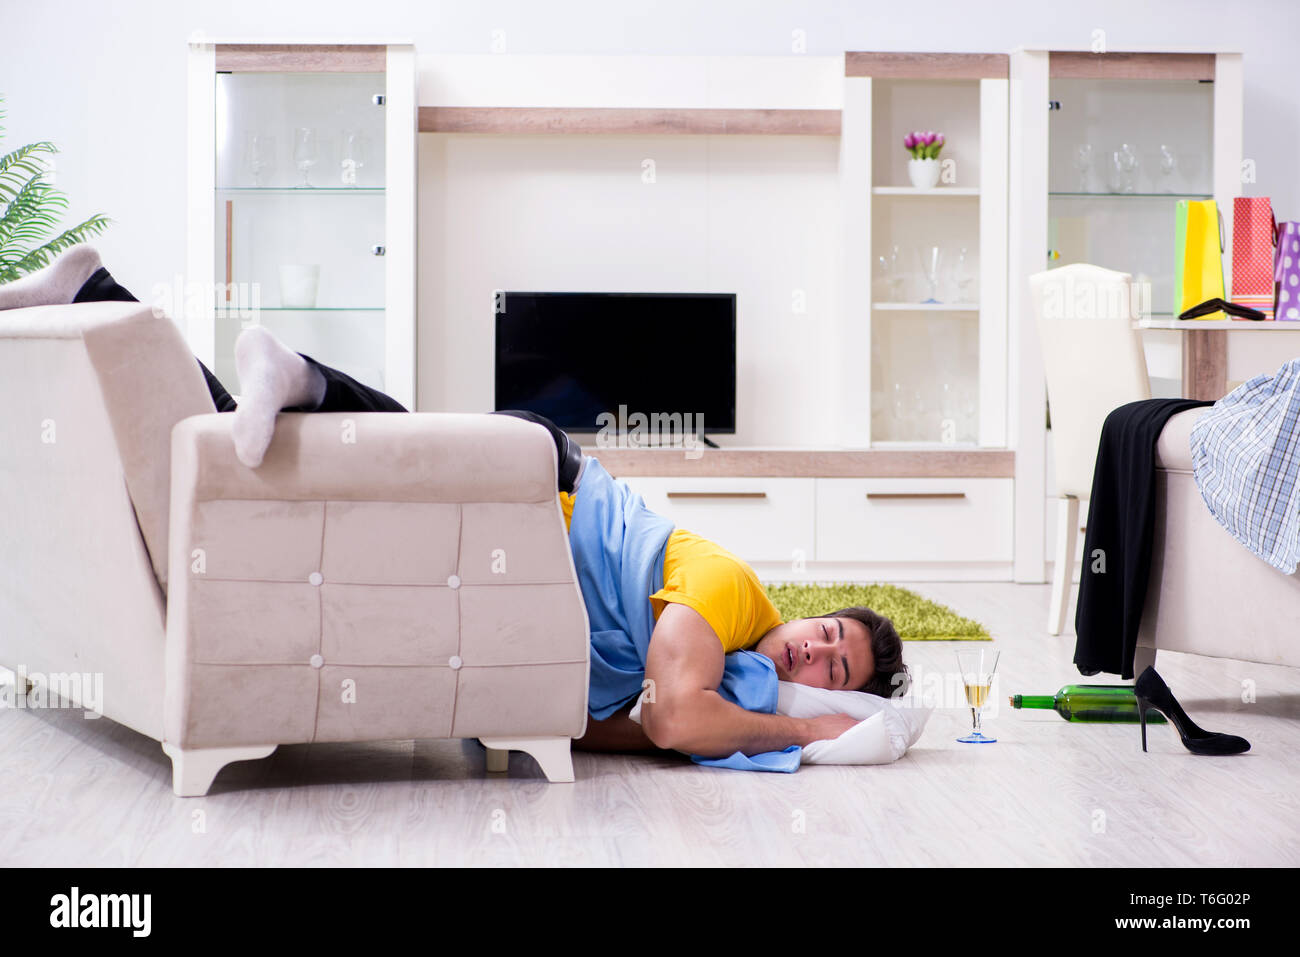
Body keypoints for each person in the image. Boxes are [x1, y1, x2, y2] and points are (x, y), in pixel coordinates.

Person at [1, 246, 909, 759]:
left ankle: (98, 295)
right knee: (380, 456)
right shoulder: (733, 593)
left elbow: (596, 721)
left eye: (835, 669)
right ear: (809, 611)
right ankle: (302, 376)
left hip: (519, 534)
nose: (817, 650)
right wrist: (808, 728)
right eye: (830, 631)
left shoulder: (732, 661)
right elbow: (673, 715)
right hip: (541, 480)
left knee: (299, 479)